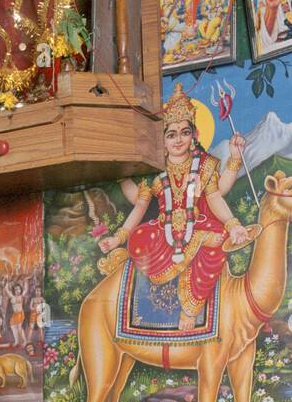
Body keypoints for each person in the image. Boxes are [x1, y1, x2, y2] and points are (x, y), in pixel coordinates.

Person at [100, 83, 257, 331]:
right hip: (164, 231)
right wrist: (118, 237)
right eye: (171, 134)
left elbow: (215, 196)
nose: (178, 139)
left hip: (198, 227)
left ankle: (191, 308)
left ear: (194, 135)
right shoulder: (154, 169)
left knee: (217, 243)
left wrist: (233, 223)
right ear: (162, 139)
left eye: (185, 132)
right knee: (139, 240)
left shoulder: (204, 165)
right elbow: (139, 204)